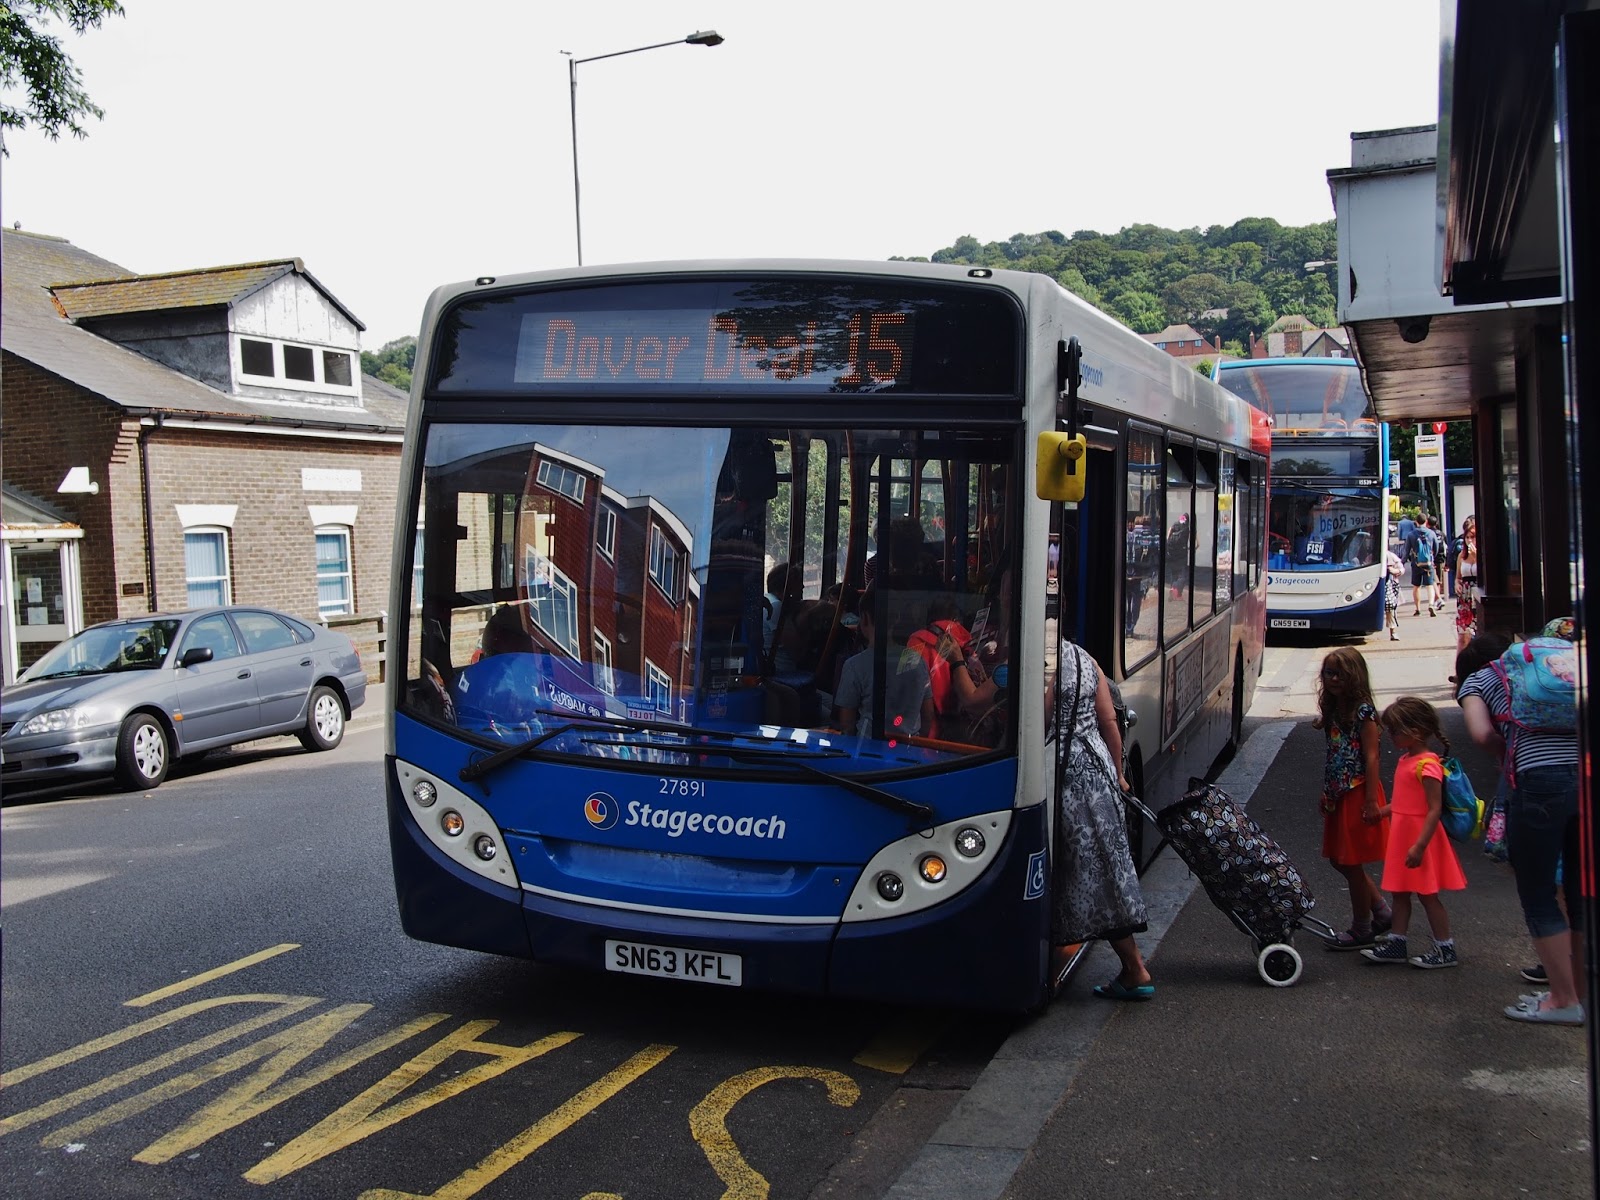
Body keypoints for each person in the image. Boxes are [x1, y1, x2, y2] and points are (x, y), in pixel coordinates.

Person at [1458, 617, 1584, 1024]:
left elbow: (1480, 735)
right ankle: (1577, 991)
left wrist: (1508, 749)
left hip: (1538, 783)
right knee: (1579, 893)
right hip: (1585, 776)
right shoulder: (1554, 662)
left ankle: (1563, 1000)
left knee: (1539, 892)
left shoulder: (1480, 681)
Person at [1051, 637, 1152, 1000]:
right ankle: (1132, 969)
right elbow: (1109, 720)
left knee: (1089, 874)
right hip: (1098, 770)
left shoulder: (1041, 661)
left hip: (1067, 776)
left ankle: (1135, 968)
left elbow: (1038, 717)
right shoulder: (1083, 656)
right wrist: (1120, 774)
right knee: (1104, 868)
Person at [1361, 697, 1468, 967]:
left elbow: (1433, 809)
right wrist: (1381, 814)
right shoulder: (1408, 760)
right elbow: (1403, 801)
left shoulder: (1427, 765)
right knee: (1400, 891)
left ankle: (1445, 948)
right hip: (1404, 835)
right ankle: (1398, 941)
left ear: (1416, 732)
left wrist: (1420, 846)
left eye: (1396, 730)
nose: (1391, 735)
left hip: (1419, 838)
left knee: (1427, 895)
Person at [1314, 647, 1393, 949]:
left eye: (1339, 674)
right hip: (1339, 791)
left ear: (1354, 676)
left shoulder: (1364, 711)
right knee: (1340, 859)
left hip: (1359, 791)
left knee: (1350, 860)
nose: (1333, 679)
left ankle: (1362, 927)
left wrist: (1372, 801)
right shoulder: (1335, 708)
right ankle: (1381, 912)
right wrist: (1327, 791)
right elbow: (1334, 754)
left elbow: (1372, 758)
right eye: (1328, 673)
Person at [835, 588, 933, 739]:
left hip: (870, 748)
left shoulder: (855, 665)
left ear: (864, 618)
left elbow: (846, 725)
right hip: (910, 746)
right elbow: (927, 716)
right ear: (897, 618)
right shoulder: (915, 659)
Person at [1454, 520, 1479, 652]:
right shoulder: (1461, 556)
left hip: (1477, 596)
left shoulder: (1481, 554)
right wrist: (1457, 584)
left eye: (1473, 537)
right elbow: (1458, 577)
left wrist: (1476, 558)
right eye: (1467, 537)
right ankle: (1460, 669)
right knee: (1462, 636)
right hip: (1465, 597)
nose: (1470, 540)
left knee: (1475, 635)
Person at [1407, 514, 1440, 616]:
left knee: (1416, 586)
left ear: (1416, 521)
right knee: (1430, 585)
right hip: (1428, 563)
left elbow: (1406, 550)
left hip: (1416, 563)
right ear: (1426, 521)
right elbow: (1436, 547)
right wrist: (1432, 557)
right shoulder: (1431, 533)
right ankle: (1431, 604)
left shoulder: (1411, 534)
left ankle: (1418, 609)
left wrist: (1402, 562)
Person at [1382, 543, 1405, 641]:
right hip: (1379, 586)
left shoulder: (1390, 555)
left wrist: (1395, 571)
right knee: (1390, 608)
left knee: (1391, 609)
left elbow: (1401, 569)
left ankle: (1393, 631)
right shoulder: (1372, 555)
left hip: (1390, 587)